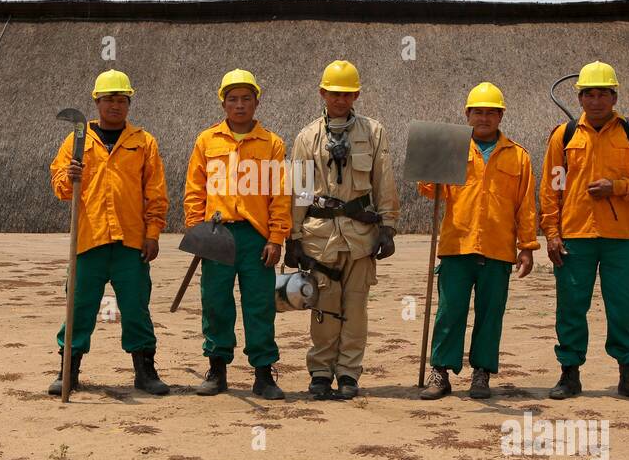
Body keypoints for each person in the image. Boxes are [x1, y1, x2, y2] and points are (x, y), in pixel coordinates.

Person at [539, 61, 629, 402]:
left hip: (622, 237)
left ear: (614, 96)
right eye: (589, 94)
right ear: (579, 98)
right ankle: (569, 375)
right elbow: (552, 189)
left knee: (624, 307)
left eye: (603, 94)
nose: (596, 101)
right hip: (575, 237)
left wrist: (618, 187)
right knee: (570, 307)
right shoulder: (563, 136)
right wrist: (551, 233)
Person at [48, 69, 170, 396]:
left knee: (135, 307)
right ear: (96, 102)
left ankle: (145, 371)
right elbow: (60, 186)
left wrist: (153, 232)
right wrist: (69, 176)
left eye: (121, 99)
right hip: (89, 240)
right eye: (108, 99)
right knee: (79, 306)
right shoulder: (77, 140)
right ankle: (68, 370)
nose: (115, 105)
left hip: (131, 241)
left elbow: (155, 192)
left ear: (129, 102)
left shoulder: (143, 142)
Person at [287, 60, 399, 400]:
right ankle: (320, 372)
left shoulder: (374, 132)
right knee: (322, 306)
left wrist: (388, 226)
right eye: (334, 93)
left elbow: (384, 180)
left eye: (347, 93)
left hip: (361, 237)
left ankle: (349, 373)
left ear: (357, 95)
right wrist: (293, 236)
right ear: (322, 93)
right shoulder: (307, 137)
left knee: (356, 308)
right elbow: (300, 189)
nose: (340, 99)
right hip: (320, 237)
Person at [418, 83, 538, 400]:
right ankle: (440, 373)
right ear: (467, 114)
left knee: (490, 313)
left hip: (499, 249)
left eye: (490, 112)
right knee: (450, 311)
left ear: (500, 116)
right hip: (457, 246)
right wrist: (430, 168)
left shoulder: (518, 156)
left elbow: (525, 206)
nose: (484, 117)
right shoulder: (451, 148)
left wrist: (527, 246)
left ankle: (481, 374)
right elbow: (428, 191)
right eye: (478, 111)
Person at [184, 69, 290, 400]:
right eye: (233, 99)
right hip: (216, 234)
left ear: (256, 101)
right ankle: (217, 370)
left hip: (256, 237)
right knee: (215, 302)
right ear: (223, 103)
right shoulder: (206, 141)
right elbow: (194, 191)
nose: (240, 105)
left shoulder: (272, 144)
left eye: (246, 99)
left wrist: (276, 237)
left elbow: (280, 194)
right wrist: (197, 232)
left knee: (259, 305)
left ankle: (263, 373)